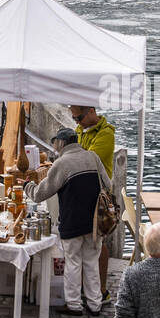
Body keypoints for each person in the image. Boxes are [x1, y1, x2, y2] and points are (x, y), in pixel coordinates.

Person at [32, 127, 110, 316]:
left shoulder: (61, 163)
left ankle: (74, 305)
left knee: (73, 262)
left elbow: (40, 194)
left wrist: (28, 187)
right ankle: (95, 304)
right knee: (91, 261)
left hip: (72, 220)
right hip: (94, 222)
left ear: (61, 143)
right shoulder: (92, 157)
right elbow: (108, 184)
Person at [71, 103, 116, 302]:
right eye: (74, 119)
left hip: (98, 195)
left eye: (78, 118)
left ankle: (102, 289)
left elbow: (88, 160)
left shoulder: (106, 134)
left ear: (91, 111)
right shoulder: (81, 130)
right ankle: (85, 287)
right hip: (81, 192)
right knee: (84, 240)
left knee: (99, 241)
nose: (77, 123)